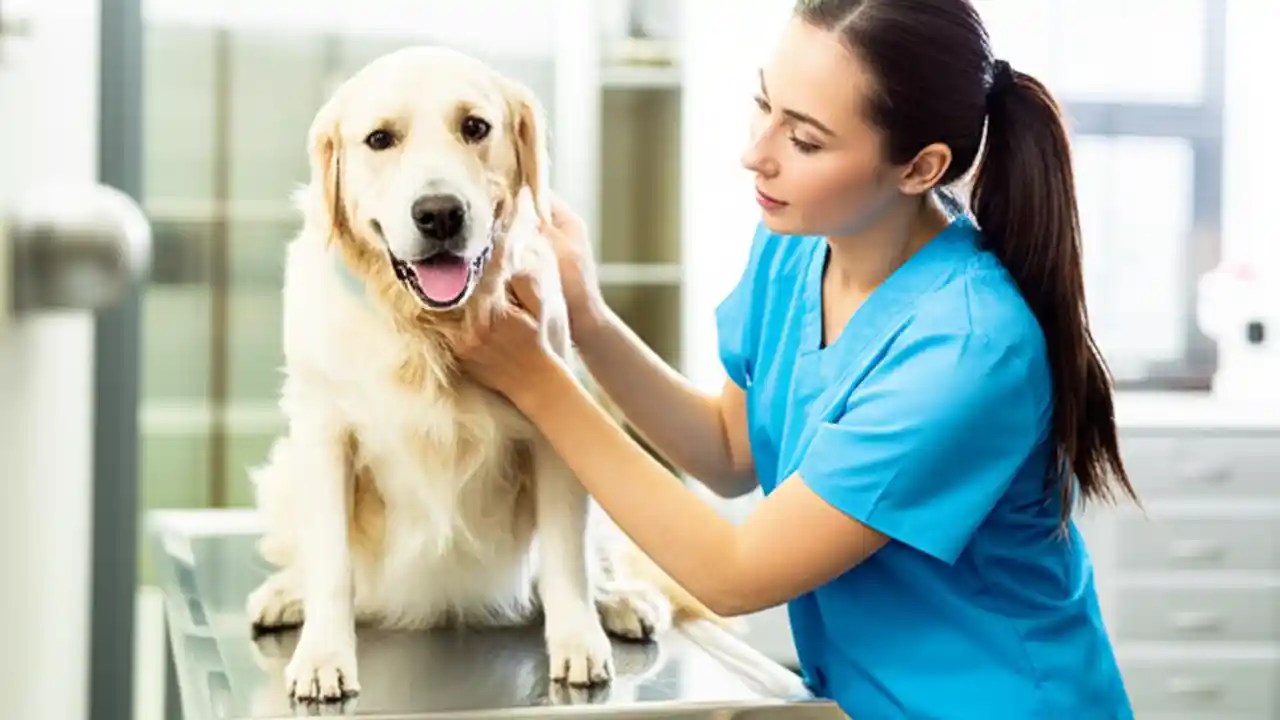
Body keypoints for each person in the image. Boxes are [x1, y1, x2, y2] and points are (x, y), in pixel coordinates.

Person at [459, 0, 1138, 716]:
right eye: (763, 104)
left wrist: (538, 381)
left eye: (805, 140)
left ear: (920, 167)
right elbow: (726, 450)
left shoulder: (969, 347)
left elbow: (734, 573)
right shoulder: (799, 241)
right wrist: (589, 322)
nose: (758, 152)